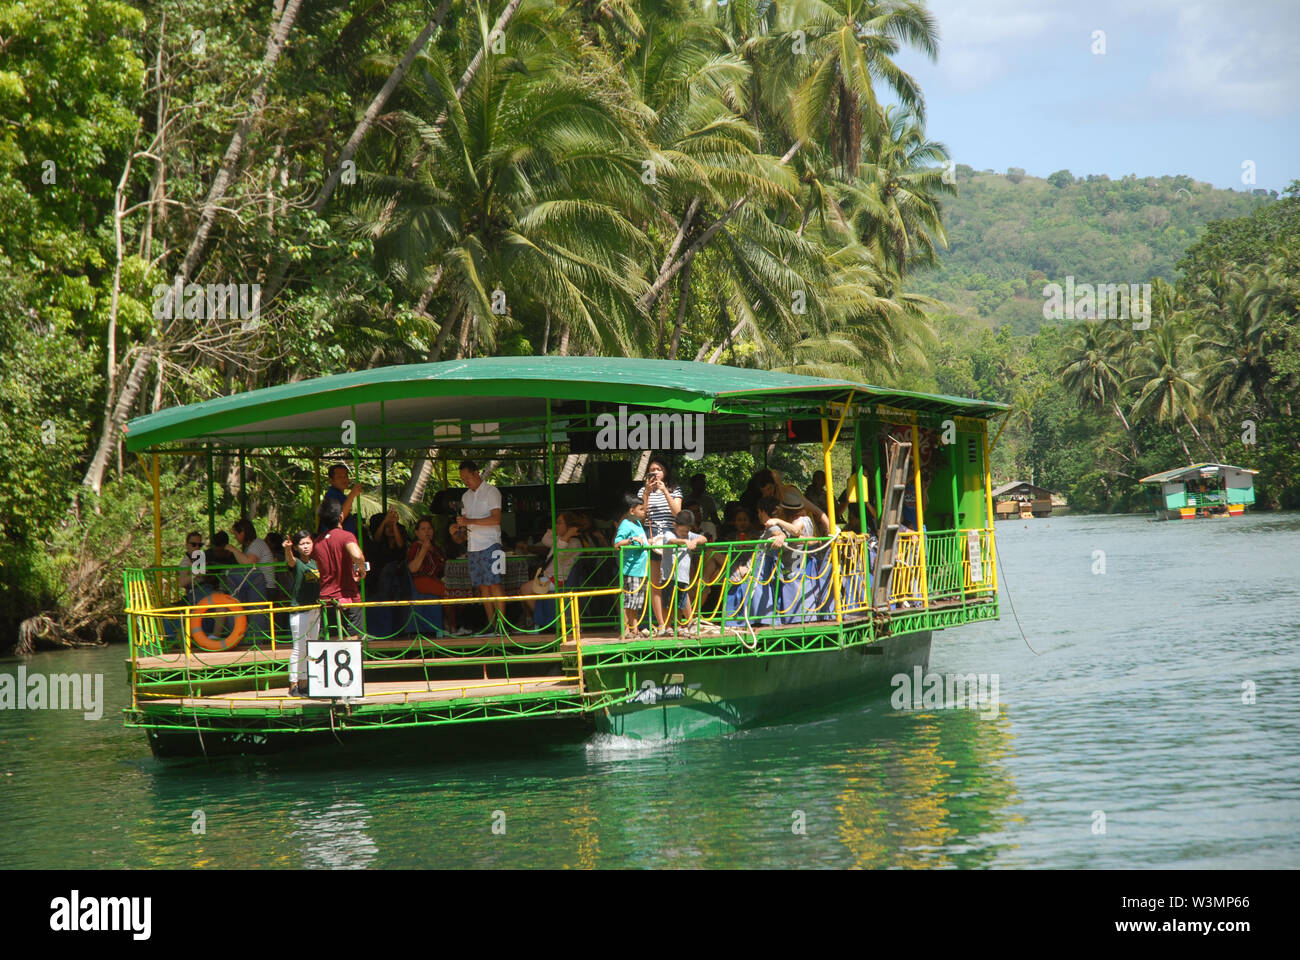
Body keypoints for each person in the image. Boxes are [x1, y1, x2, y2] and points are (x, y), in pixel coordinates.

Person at [456, 459, 505, 633]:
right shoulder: (465, 496)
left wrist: (469, 521)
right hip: (473, 546)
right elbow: (464, 523)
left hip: (492, 543)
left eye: (467, 478)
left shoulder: (491, 492)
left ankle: (502, 625)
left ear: (476, 473)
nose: (466, 482)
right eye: (463, 480)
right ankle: (492, 625)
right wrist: (458, 529)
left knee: (495, 584)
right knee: (483, 586)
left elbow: (496, 519)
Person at [314, 497, 366, 640]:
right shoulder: (346, 536)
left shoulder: (318, 542)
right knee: (352, 638)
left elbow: (320, 567)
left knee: (332, 637)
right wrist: (362, 569)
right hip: (348, 596)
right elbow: (357, 554)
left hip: (327, 598)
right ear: (341, 516)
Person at [639, 458, 682, 630]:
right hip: (653, 538)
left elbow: (678, 513)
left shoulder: (674, 489)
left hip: (671, 536)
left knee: (674, 581)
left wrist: (665, 491)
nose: (655, 472)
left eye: (658, 469)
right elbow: (642, 516)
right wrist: (646, 494)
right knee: (655, 583)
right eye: (652, 469)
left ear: (665, 472)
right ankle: (662, 624)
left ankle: (678, 621)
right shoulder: (643, 490)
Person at [519, 511, 582, 624]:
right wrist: (557, 530)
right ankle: (540, 619)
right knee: (525, 589)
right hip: (551, 577)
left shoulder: (574, 542)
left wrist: (568, 534)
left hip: (558, 580)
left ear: (569, 526)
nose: (556, 526)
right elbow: (545, 540)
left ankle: (543, 621)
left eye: (559, 523)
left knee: (525, 589)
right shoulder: (560, 539)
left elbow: (560, 554)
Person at [282, 530, 319, 697]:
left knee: (311, 647)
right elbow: (290, 561)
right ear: (297, 547)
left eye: (308, 543)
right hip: (300, 610)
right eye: (302, 544)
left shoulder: (316, 563)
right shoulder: (297, 563)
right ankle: (293, 684)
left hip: (315, 609)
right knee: (299, 648)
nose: (305, 547)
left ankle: (305, 683)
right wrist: (287, 550)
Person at [408, 515, 456, 634]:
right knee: (449, 592)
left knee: (458, 591)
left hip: (436, 580)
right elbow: (413, 569)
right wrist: (424, 550)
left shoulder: (436, 548)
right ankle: (450, 627)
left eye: (429, 529)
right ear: (417, 533)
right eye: (423, 529)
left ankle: (451, 625)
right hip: (420, 580)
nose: (427, 532)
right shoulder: (416, 546)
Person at [614, 493, 651, 637]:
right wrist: (631, 539)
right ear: (632, 510)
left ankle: (634, 629)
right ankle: (626, 630)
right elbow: (617, 544)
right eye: (641, 509)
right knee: (628, 601)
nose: (644, 512)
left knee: (636, 603)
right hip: (632, 570)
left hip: (642, 570)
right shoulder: (626, 524)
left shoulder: (638, 524)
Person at [661, 510, 706, 629]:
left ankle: (688, 623)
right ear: (675, 526)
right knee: (667, 602)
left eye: (687, 531)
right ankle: (666, 626)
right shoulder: (669, 533)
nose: (684, 534)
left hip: (683, 577)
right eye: (682, 531)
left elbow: (704, 538)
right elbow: (671, 540)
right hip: (668, 576)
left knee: (683, 600)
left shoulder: (689, 535)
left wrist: (695, 541)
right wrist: (684, 541)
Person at [322, 463, 362, 535]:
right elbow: (338, 518)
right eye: (340, 477)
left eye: (345, 476)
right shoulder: (331, 495)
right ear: (331, 480)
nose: (344, 479)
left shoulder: (341, 495)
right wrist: (352, 494)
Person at [178, 531, 203, 596]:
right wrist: (197, 572)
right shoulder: (185, 563)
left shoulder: (200, 558)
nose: (197, 547)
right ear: (187, 545)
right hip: (195, 591)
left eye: (199, 545)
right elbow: (182, 583)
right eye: (194, 544)